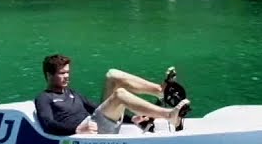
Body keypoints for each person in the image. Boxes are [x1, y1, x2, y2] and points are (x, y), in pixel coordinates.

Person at [33, 54, 189, 136]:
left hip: (98, 122)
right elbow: (48, 124)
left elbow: (97, 108)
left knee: (112, 75)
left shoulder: (72, 93)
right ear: (49, 75)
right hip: (91, 131)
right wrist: (78, 129)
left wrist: (131, 119)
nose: (67, 76)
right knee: (119, 94)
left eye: (67, 72)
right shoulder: (44, 98)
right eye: (62, 73)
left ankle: (160, 91)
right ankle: (169, 115)